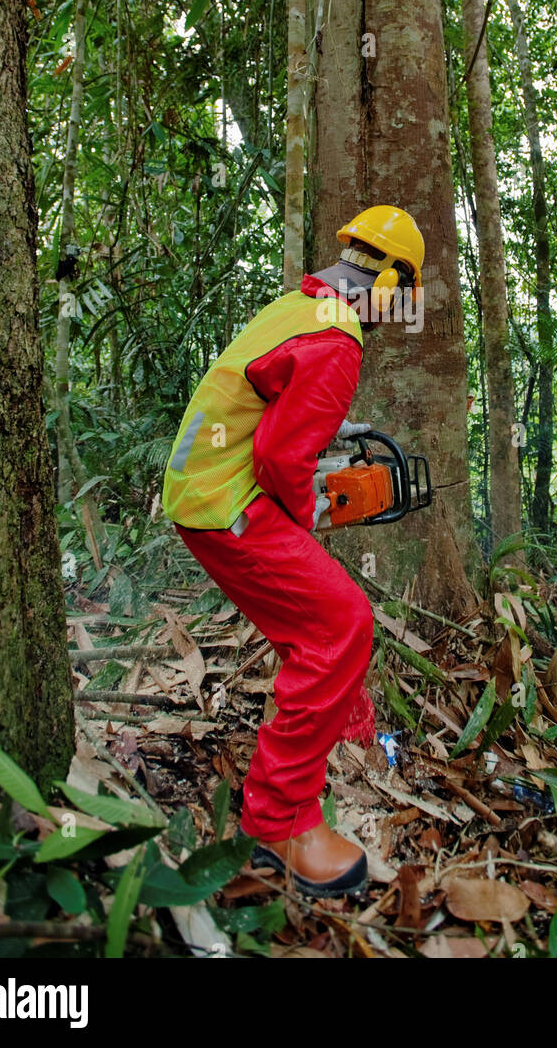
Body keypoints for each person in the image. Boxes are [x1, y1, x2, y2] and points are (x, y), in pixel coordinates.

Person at [161, 205, 425, 896]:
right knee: (343, 623)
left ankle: (351, 739)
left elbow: (272, 415)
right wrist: (308, 515)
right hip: (226, 502)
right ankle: (279, 821)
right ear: (392, 282)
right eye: (403, 297)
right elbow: (282, 457)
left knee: (311, 623)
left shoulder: (300, 307)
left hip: (202, 488)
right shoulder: (338, 340)